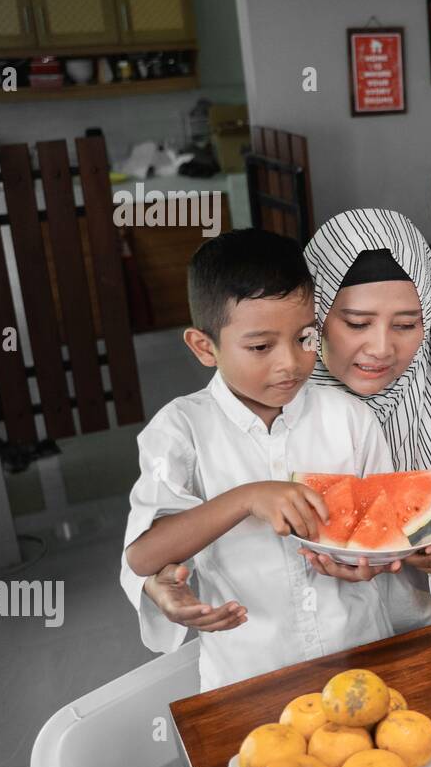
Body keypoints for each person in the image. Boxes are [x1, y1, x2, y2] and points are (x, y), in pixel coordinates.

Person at [126, 210, 431, 650]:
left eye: (407, 325)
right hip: (271, 666)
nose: (382, 348)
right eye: (356, 323)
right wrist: (163, 579)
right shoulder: (197, 423)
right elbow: (145, 551)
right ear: (323, 309)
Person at [120, 229, 397, 691]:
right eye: (260, 347)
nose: (290, 363)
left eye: (305, 338)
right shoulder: (180, 429)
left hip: (360, 658)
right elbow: (143, 555)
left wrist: (375, 561)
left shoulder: (351, 418)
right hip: (248, 680)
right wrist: (246, 499)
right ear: (204, 347)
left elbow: (384, 530)